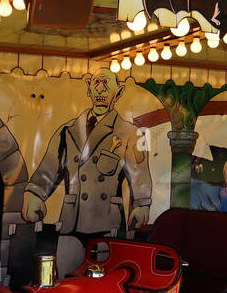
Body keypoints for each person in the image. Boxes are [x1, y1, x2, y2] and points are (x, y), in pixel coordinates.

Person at [23, 70, 153, 275]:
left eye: (107, 84)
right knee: (66, 277)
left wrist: (141, 204)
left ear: (118, 93)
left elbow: (139, 173)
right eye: (97, 83)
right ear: (89, 89)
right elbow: (49, 167)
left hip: (106, 223)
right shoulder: (68, 130)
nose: (101, 89)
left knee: (102, 282)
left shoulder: (129, 133)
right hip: (71, 221)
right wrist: (35, 193)